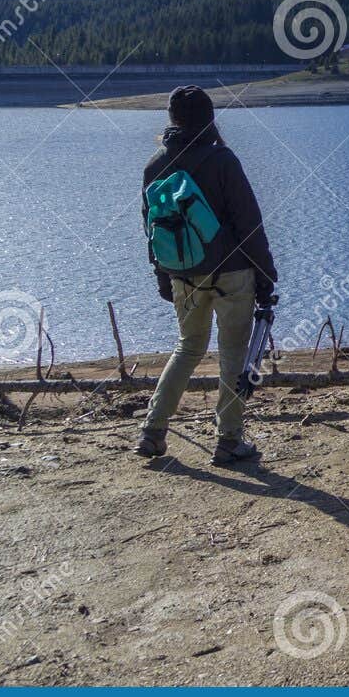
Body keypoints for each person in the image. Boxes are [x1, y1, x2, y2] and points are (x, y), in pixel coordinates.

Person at [136, 86, 277, 465]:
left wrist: (163, 277)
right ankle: (229, 439)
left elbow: (150, 231)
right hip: (233, 275)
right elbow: (249, 224)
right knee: (233, 354)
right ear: (210, 119)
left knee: (188, 348)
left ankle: (152, 431)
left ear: (172, 119)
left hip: (183, 275)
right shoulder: (223, 160)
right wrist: (266, 274)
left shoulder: (154, 166)